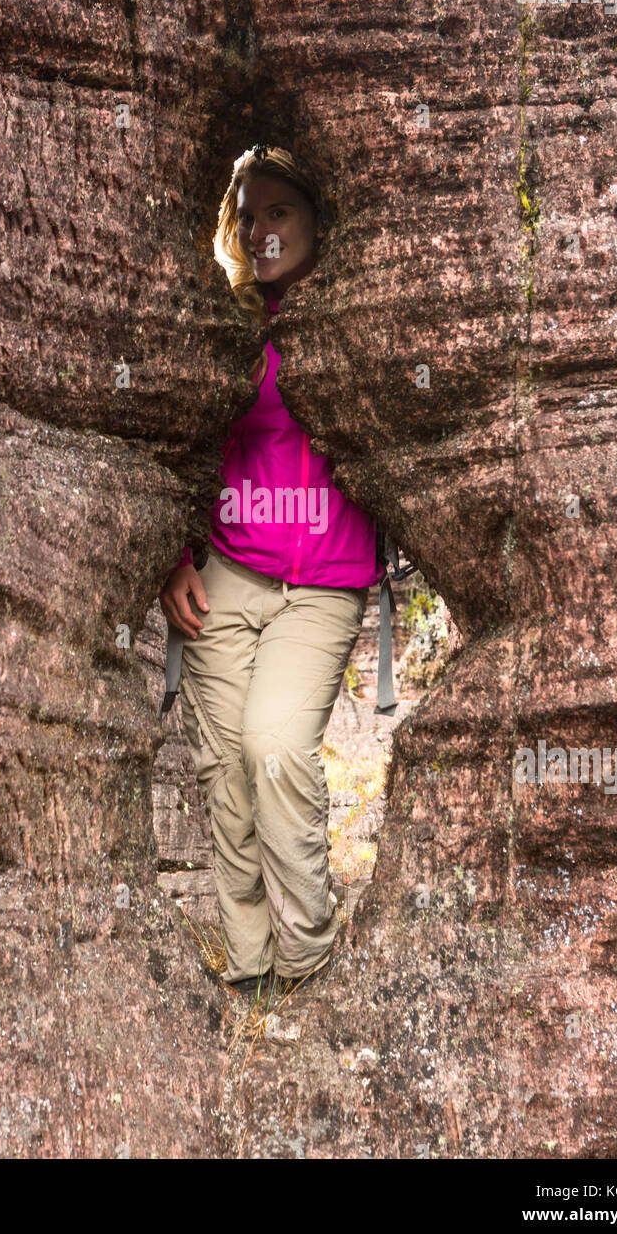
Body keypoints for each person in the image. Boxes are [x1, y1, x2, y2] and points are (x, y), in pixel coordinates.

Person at [158, 144, 384, 997]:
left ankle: (307, 957)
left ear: (320, 220)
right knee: (222, 768)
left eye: (280, 211)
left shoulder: (355, 320)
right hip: (226, 573)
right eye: (248, 214)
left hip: (322, 583)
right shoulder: (227, 327)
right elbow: (181, 446)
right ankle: (250, 971)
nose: (260, 230)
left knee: (276, 747)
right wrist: (178, 559)